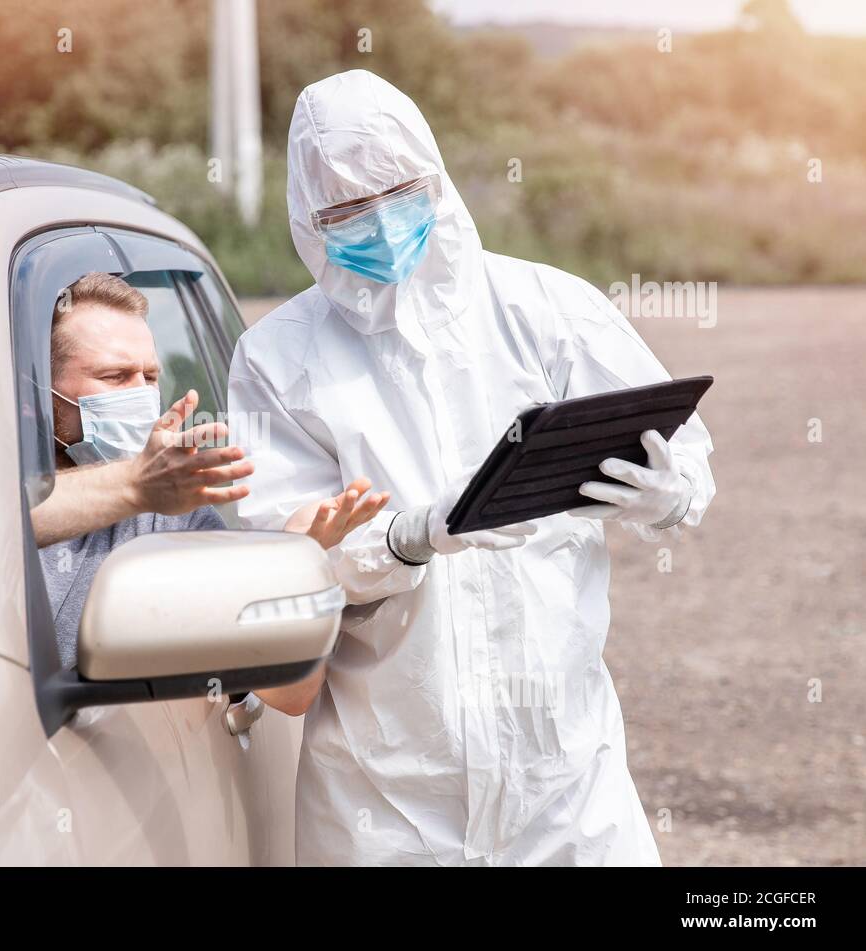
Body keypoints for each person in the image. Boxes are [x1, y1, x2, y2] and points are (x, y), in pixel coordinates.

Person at [227, 70, 716, 866]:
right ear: (308, 219)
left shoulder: (550, 309)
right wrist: (407, 539)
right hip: (386, 792)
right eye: (347, 211)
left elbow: (688, 452)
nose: (382, 226)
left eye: (399, 192)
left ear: (436, 178)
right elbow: (280, 562)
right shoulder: (279, 361)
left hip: (563, 775)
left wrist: (666, 493)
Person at [33, 272, 384, 670]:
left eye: (149, 377)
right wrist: (132, 486)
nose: (141, 395)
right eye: (114, 376)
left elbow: (288, 698)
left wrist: (295, 563)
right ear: (38, 393)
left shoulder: (171, 518)